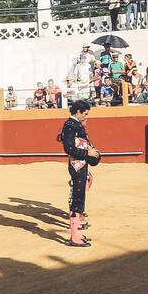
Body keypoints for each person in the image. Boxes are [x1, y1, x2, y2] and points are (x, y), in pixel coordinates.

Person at [58, 100, 100, 247]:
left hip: (80, 164)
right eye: (85, 114)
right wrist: (88, 152)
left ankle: (77, 234)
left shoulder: (74, 125)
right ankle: (75, 236)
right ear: (78, 112)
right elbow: (69, 149)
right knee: (77, 200)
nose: (86, 116)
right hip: (77, 165)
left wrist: (91, 153)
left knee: (79, 197)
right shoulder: (70, 126)